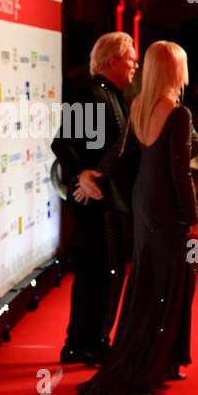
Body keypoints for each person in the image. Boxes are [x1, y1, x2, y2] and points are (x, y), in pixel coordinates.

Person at [73, 41, 198, 395]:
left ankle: (165, 357)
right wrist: (193, 220)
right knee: (175, 279)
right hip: (167, 205)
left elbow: (121, 151)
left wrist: (100, 171)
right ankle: (163, 360)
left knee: (149, 278)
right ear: (175, 69)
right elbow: (181, 175)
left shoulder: (139, 105)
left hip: (144, 202)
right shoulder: (178, 114)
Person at [51, 32, 139, 365]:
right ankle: (81, 343)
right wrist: (80, 174)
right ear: (113, 60)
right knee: (97, 271)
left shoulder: (113, 94)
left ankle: (94, 339)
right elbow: (63, 143)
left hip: (110, 198)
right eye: (131, 59)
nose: (134, 66)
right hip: (95, 199)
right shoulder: (88, 93)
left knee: (108, 270)